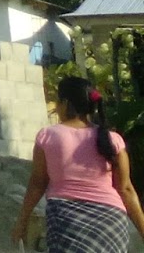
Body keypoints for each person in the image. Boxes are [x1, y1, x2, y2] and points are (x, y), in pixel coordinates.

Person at [14, 76, 144, 251]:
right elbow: (126, 189)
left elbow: (38, 183)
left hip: (66, 221)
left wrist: (21, 223)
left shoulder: (48, 136)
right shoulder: (113, 139)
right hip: (111, 224)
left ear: (65, 103)